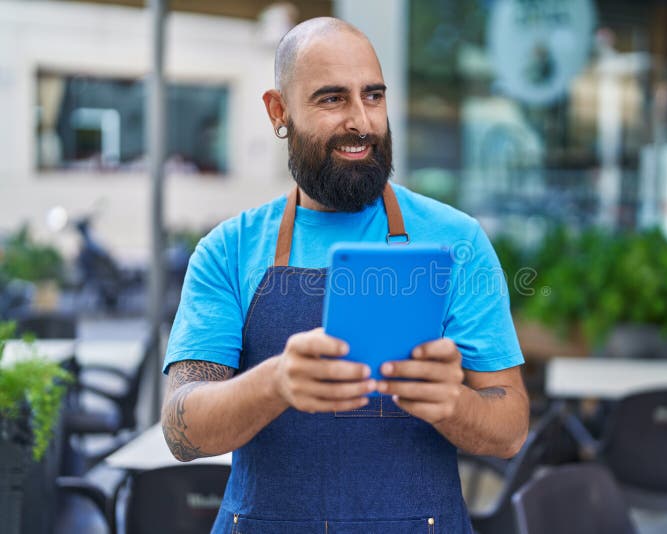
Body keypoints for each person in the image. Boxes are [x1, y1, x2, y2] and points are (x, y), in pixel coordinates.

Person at [161, 17, 529, 533]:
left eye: (373, 96)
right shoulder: (229, 250)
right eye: (332, 99)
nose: (361, 121)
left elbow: (510, 427)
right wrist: (274, 382)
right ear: (278, 111)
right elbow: (181, 430)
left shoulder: (458, 241)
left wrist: (453, 404)